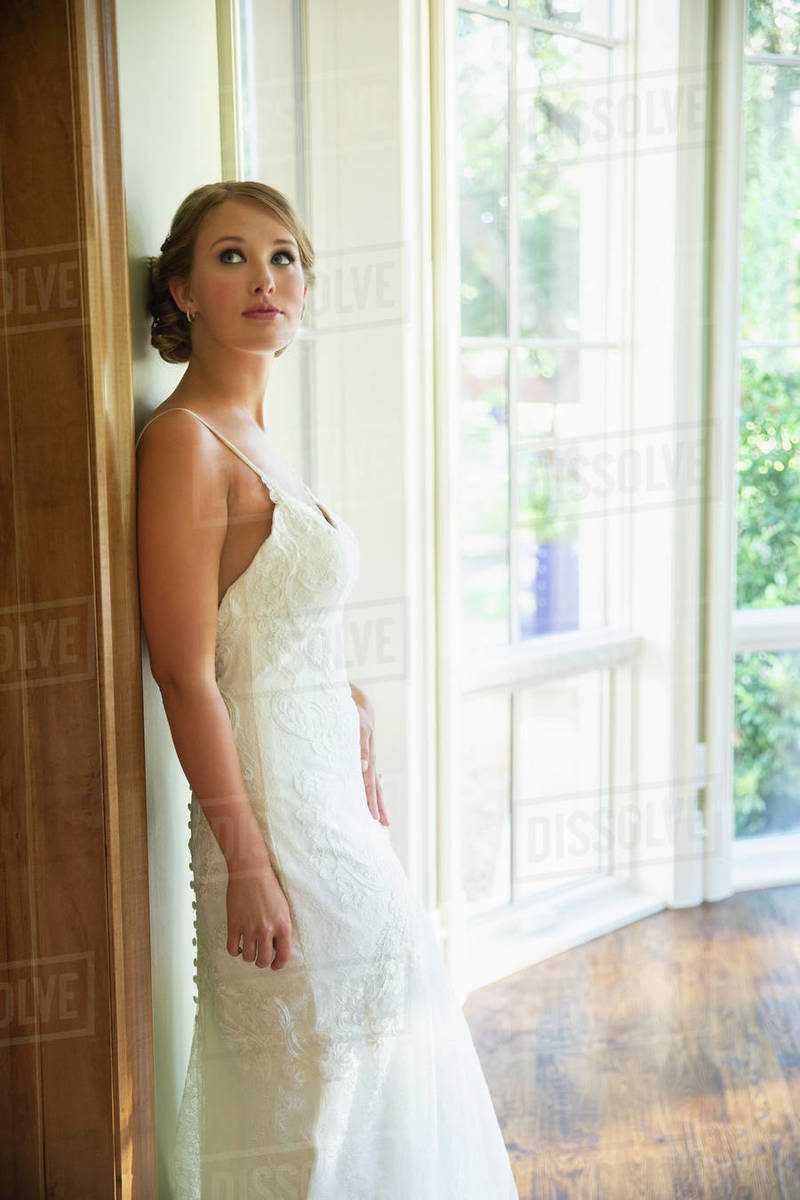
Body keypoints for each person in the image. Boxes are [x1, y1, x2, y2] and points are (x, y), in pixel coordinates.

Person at [136, 179, 520, 1199]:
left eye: (284, 256)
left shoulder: (258, 433)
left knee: (376, 1073)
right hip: (273, 838)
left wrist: (345, 698)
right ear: (180, 289)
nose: (265, 277)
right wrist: (249, 863)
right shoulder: (184, 442)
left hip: (335, 818)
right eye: (230, 256)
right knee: (304, 1110)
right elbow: (184, 673)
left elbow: (256, 619)